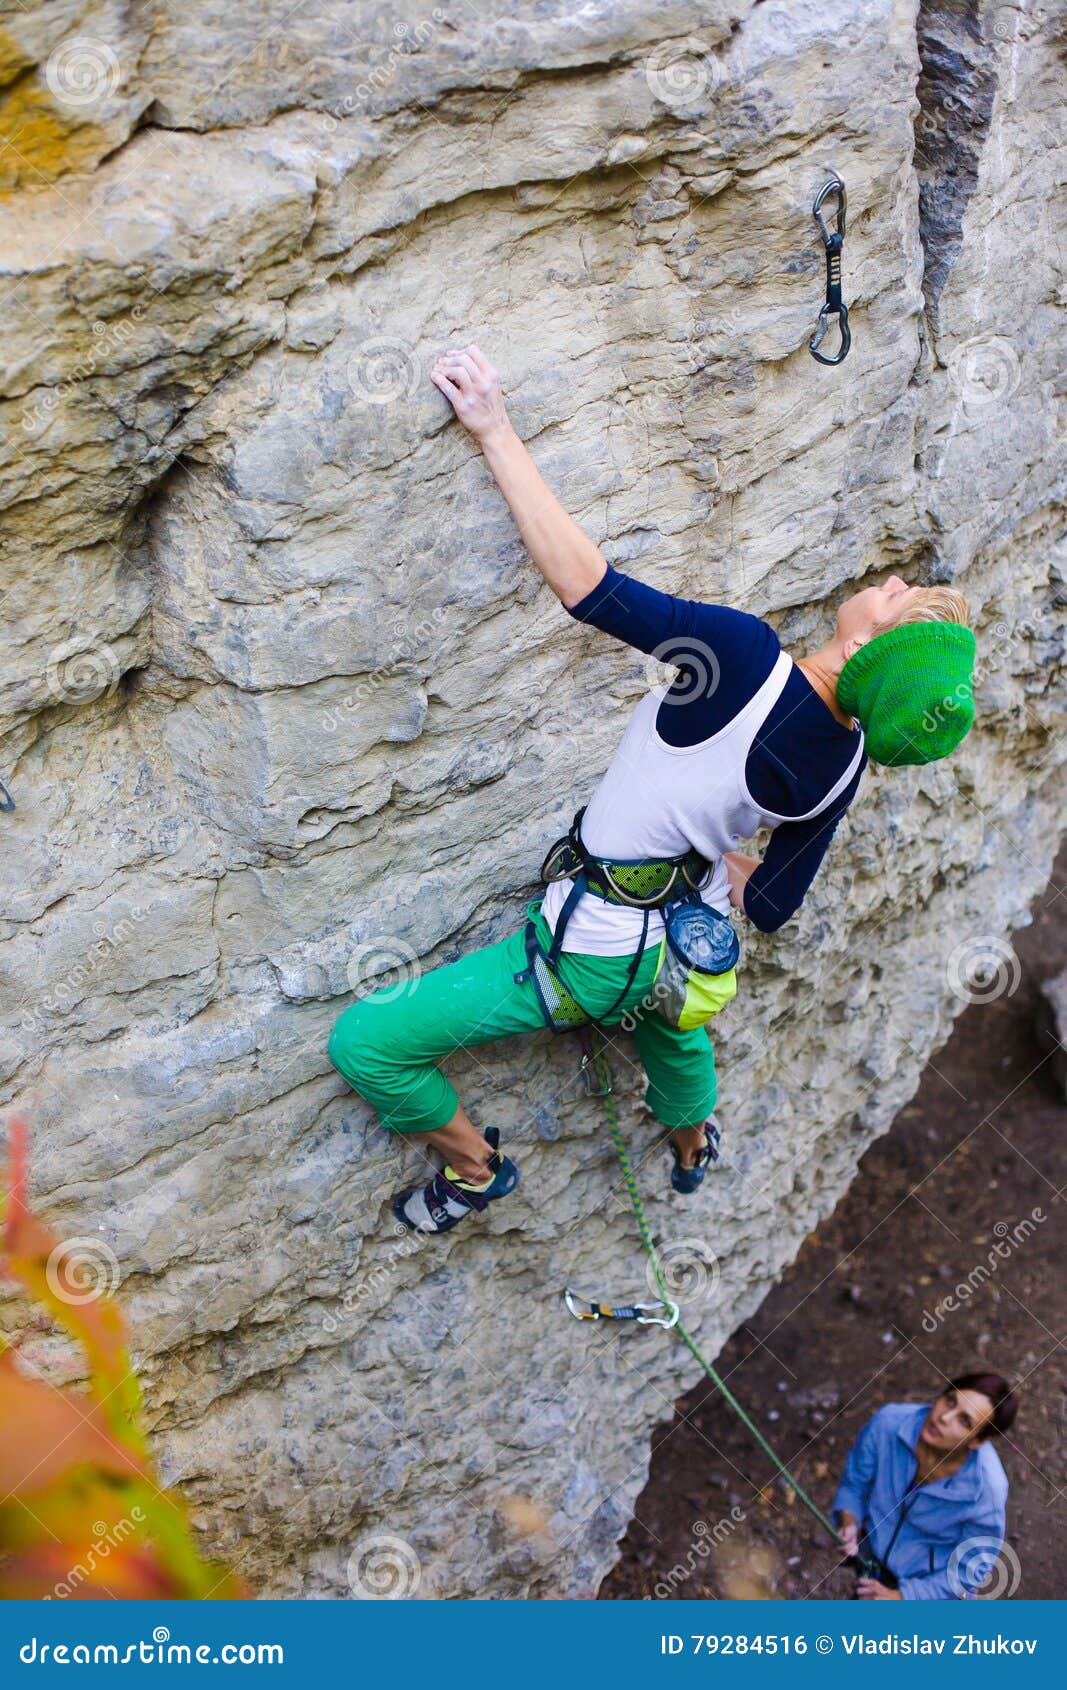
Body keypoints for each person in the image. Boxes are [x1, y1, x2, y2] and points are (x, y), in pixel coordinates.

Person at [328, 344, 977, 1234]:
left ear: (874, 651)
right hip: (682, 943)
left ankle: (475, 1172)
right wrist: (705, 850)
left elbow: (590, 589)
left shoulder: (744, 663)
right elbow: (777, 903)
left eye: (901, 600)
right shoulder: (843, 763)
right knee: (669, 1027)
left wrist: (494, 430)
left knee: (366, 1044)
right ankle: (690, 1139)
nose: (894, 580)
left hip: (590, 952)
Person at [833, 1374, 1015, 1600]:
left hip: (930, 1587)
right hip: (873, 1552)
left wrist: (902, 1597)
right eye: (949, 1401)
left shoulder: (987, 1490)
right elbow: (855, 1483)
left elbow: (970, 1569)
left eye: (964, 1421)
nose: (944, 1418)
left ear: (977, 1441)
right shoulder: (888, 1423)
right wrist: (849, 1519)